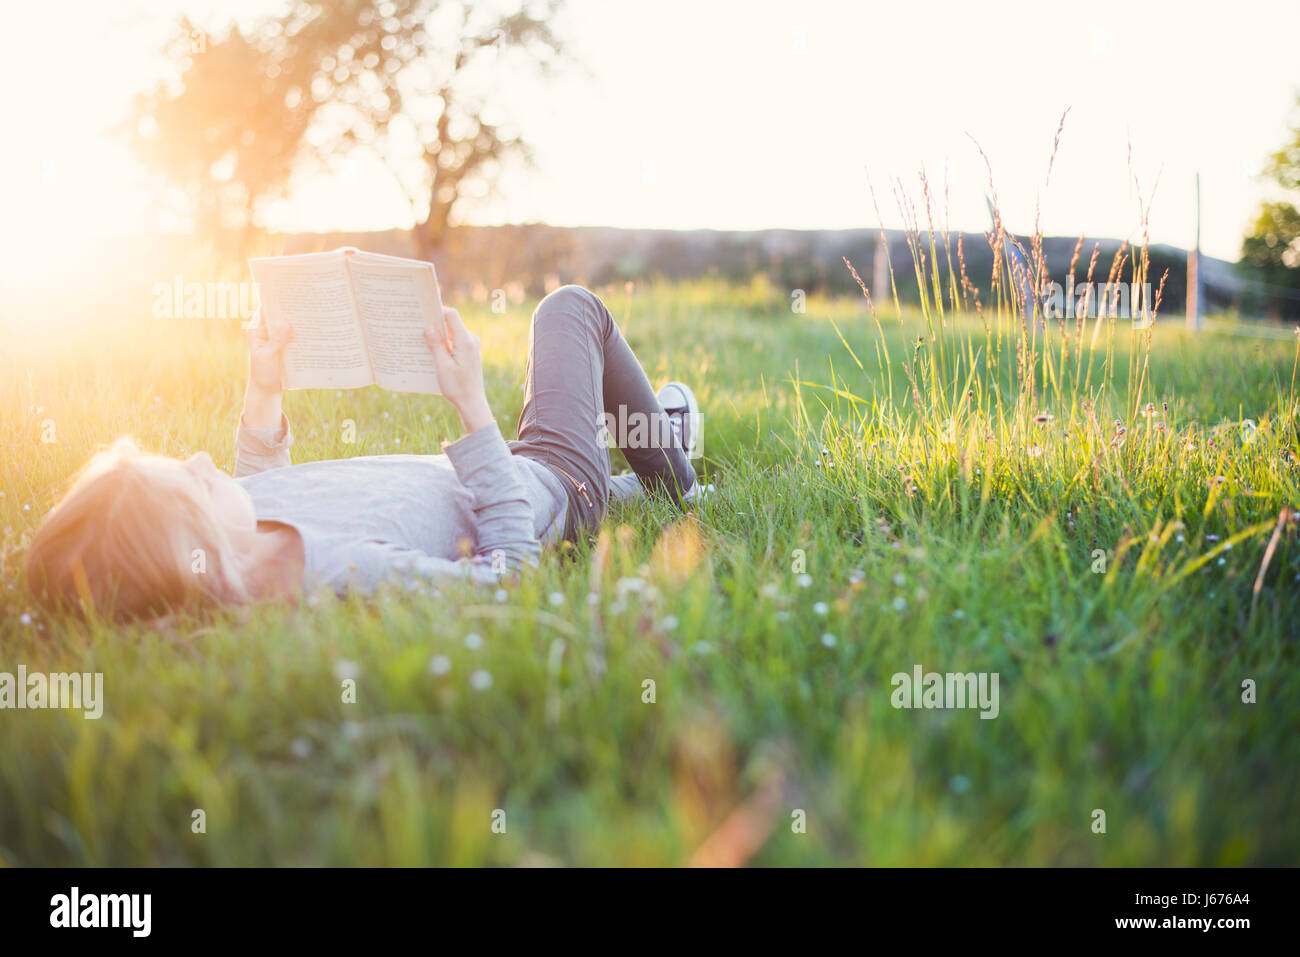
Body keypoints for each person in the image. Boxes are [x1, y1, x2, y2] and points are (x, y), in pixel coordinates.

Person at [24, 284, 704, 620]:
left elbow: (263, 490)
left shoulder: (245, 540)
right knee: (569, 308)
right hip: (548, 483)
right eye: (195, 486)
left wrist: (263, 388)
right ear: (199, 559)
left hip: (492, 471)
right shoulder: (336, 571)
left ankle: (648, 445)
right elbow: (509, 581)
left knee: (598, 409)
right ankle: (675, 476)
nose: (202, 464)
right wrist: (470, 404)